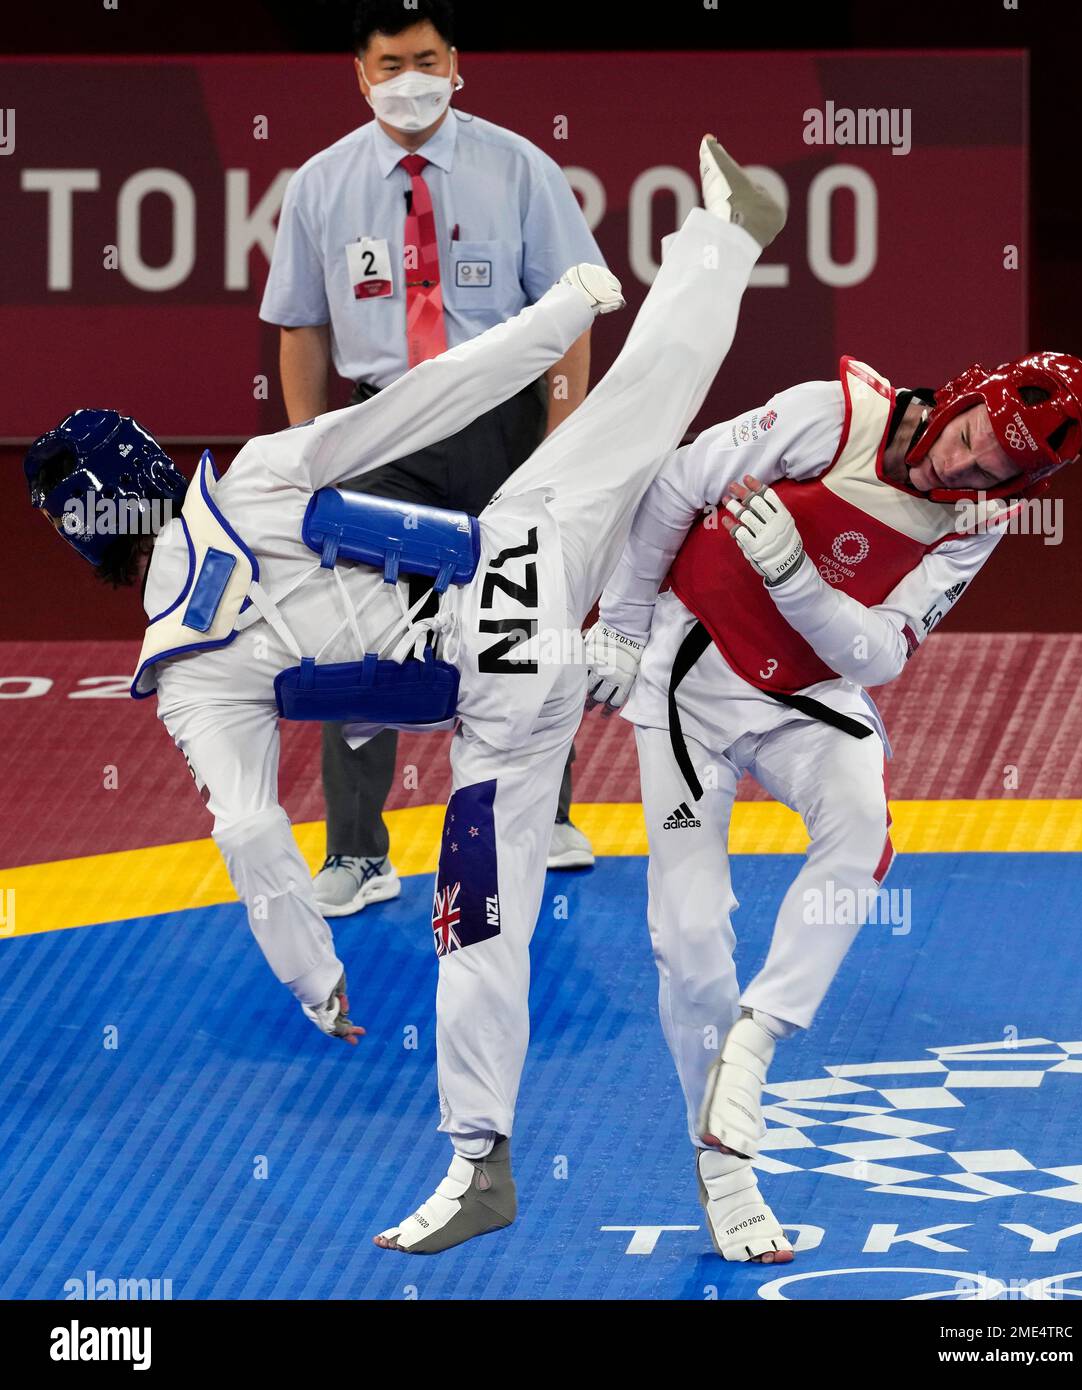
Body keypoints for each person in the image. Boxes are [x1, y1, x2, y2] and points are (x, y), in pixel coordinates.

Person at [27, 137, 787, 1255]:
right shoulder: (257, 475)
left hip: (500, 695)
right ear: (151, 464)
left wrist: (314, 977)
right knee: (638, 406)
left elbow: (246, 828)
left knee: (477, 931)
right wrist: (553, 319)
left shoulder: (185, 668)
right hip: (519, 553)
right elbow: (429, 398)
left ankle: (480, 1159)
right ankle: (725, 234)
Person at [587, 346, 1082, 1263]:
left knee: (864, 828)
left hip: (807, 694)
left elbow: (879, 657)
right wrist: (621, 627)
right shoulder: (827, 415)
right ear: (967, 394)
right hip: (685, 680)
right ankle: (724, 1174)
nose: (966, 462)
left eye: (995, 464)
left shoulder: (975, 520)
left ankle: (758, 1040)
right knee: (690, 935)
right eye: (976, 432)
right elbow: (673, 489)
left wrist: (795, 578)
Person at [261, 0, 608, 914]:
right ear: (360, 73)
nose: (409, 78)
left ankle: (550, 813)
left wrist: (563, 427)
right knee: (360, 622)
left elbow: (571, 308)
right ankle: (358, 852)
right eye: (390, 63)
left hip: (506, 421)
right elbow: (300, 324)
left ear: (456, 61)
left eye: (426, 58)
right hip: (384, 426)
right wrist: (310, 443)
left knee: (527, 605)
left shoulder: (518, 165)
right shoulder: (322, 183)